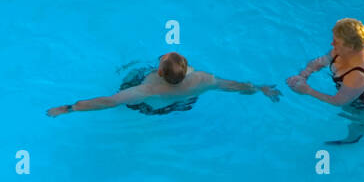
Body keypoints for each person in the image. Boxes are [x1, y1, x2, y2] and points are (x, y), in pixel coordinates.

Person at [46, 52, 280, 117]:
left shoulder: (145, 89)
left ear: (159, 71)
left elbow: (109, 102)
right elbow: (234, 86)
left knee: (132, 78)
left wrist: (68, 108)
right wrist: (260, 88)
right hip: (184, 102)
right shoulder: (203, 79)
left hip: (152, 105)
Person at [287, 18, 364, 144]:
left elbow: (338, 101)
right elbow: (318, 62)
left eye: (336, 41)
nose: (332, 44)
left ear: (350, 46)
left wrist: (307, 90)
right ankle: (357, 137)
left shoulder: (359, 73)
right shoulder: (341, 50)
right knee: (352, 117)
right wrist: (303, 75)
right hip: (355, 94)